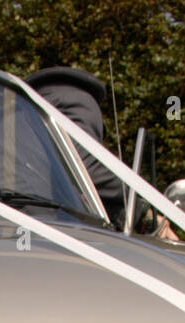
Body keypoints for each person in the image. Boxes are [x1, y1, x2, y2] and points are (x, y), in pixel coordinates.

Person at [24, 66, 125, 227]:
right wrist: (143, 206)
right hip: (42, 237)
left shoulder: (3, 120)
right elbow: (84, 169)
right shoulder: (74, 98)